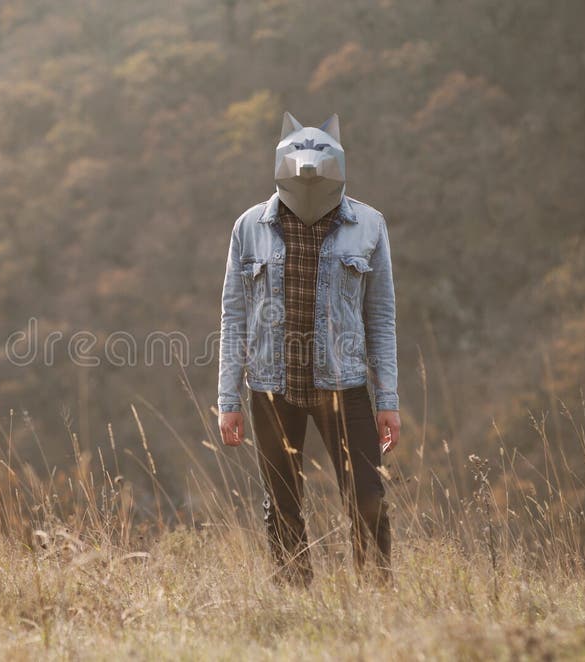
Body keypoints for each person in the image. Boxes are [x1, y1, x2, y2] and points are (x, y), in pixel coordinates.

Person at [217, 112, 400, 585]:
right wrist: (227, 401)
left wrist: (388, 401)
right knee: (281, 502)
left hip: (345, 384)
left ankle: (378, 594)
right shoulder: (249, 227)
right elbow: (234, 317)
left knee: (367, 496)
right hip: (272, 386)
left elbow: (379, 317)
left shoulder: (369, 226)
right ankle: (294, 595)